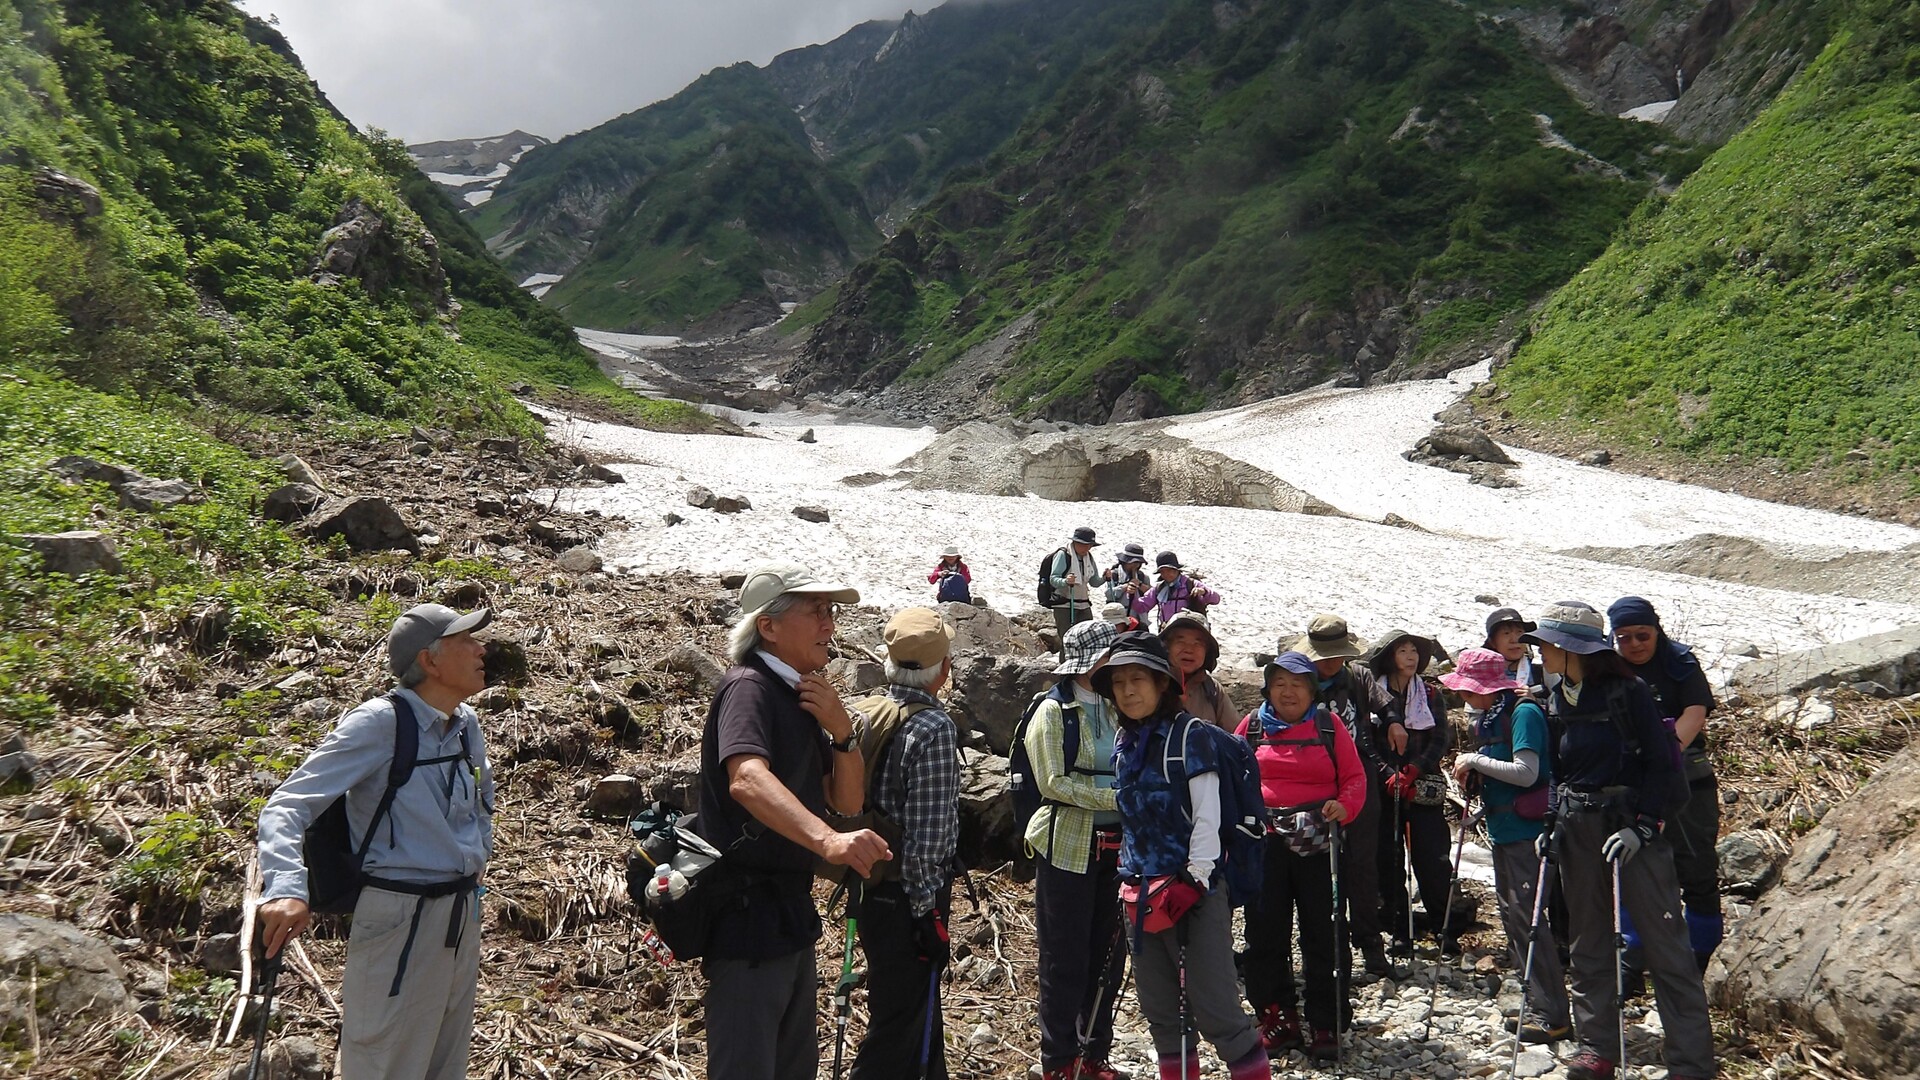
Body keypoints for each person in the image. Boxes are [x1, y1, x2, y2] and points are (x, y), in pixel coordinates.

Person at [254, 603, 498, 1080]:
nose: (481, 649)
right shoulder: (379, 723)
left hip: (462, 913)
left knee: (445, 1066)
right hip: (398, 918)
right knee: (383, 1065)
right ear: (429, 660)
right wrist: (285, 887)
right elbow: (288, 804)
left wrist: (476, 858)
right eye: (466, 640)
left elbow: (481, 805)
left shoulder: (466, 723)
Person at [696, 563, 891, 1080]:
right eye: (816, 611)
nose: (830, 624)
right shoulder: (749, 688)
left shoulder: (801, 694)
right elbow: (746, 779)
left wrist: (844, 734)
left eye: (831, 612)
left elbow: (845, 802)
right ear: (769, 626)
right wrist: (827, 841)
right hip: (747, 922)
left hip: (787, 919)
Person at [1524, 602, 1715, 1080]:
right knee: (1588, 940)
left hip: (1629, 827)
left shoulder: (1628, 693)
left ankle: (1691, 1063)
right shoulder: (1558, 698)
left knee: (1666, 945)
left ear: (1572, 649)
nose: (1540, 652)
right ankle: (1596, 1049)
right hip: (1577, 828)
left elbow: (1663, 765)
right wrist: (1550, 822)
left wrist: (1644, 825)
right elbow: (1558, 771)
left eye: (1547, 644)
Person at [1101, 632, 1270, 1080]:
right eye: (1118, 682)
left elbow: (1207, 817)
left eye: (1138, 679)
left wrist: (1194, 880)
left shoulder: (1190, 736)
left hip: (1194, 893)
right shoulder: (1125, 742)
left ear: (1162, 684)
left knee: (1218, 1011)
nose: (1127, 691)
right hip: (1141, 893)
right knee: (1162, 1014)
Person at [1235, 651, 1366, 1059]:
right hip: (1265, 843)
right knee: (1264, 933)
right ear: (1267, 689)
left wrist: (1345, 806)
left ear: (1312, 691)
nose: (1287, 692)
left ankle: (1326, 1020)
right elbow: (1230, 777)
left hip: (1319, 843)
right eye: (1279, 684)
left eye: (1296, 685)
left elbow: (1354, 777)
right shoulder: (1251, 727)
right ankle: (1277, 1017)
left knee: (1324, 931)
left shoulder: (1329, 726)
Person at [849, 608, 961, 1080]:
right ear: (943, 669)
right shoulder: (934, 728)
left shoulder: (868, 712)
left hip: (868, 882)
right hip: (908, 897)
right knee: (900, 1023)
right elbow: (927, 837)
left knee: (905, 1007)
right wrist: (926, 913)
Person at [1445, 647, 1571, 1044]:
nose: (1462, 695)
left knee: (1528, 920)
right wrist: (1477, 771)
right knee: (1515, 918)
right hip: (1505, 829)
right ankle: (1539, 1003)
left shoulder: (1523, 713)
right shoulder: (1491, 716)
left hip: (1526, 833)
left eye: (1468, 689)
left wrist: (1475, 762)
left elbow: (1527, 772)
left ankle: (1553, 1014)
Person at [1024, 619, 1127, 1080]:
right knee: (1064, 959)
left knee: (1108, 958)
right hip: (1066, 849)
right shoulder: (1052, 712)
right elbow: (1052, 783)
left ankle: (1094, 1054)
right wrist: (1118, 798)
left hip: (1117, 851)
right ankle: (1059, 1059)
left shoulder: (1118, 705)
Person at [1607, 596, 1723, 973]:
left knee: (1697, 867)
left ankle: (1701, 955)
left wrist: (1664, 752)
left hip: (1686, 777)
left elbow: (1696, 712)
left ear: (1657, 631)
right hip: (1627, 780)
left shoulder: (1681, 662)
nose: (1635, 644)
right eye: (1624, 637)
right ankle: (1633, 956)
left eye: (1642, 635)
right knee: (1630, 869)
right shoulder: (1608, 667)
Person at [1288, 614, 1393, 977]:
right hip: (1315, 783)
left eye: (1337, 655)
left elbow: (1386, 706)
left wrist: (1394, 723)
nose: (1332, 662)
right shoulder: (1299, 682)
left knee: (1362, 864)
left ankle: (1369, 943)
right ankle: (1326, 947)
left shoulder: (1358, 677)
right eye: (1326, 655)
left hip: (1358, 778)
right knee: (1318, 866)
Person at [1365, 629, 1456, 955]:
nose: (1411, 657)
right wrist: (1387, 773)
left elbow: (1440, 738)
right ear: (1390, 657)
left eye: (1414, 651)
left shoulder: (1430, 695)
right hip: (1385, 789)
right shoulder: (1373, 695)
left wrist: (1415, 768)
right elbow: (1365, 740)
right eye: (1403, 651)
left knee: (1432, 860)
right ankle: (1399, 930)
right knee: (1389, 861)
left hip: (1422, 787)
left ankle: (1445, 928)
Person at [1159, 611, 1238, 727]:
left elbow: (1235, 733)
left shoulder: (1213, 690)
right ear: (1166, 646)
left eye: (1198, 643)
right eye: (1180, 641)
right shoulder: (1152, 684)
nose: (1189, 650)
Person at [1131, 552, 1223, 630]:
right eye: (1162, 571)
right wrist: (1132, 594)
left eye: (1169, 570)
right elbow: (1141, 607)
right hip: (1167, 631)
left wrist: (1204, 592)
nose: (1166, 574)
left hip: (1192, 630)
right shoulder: (1158, 589)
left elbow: (1216, 599)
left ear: (1176, 569)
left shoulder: (1191, 584)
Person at [1047, 527, 1106, 646]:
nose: (1087, 548)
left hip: (1084, 605)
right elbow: (1053, 579)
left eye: (1090, 545)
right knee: (1067, 641)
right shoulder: (1063, 555)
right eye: (1084, 545)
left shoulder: (1089, 557)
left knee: (1088, 639)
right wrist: (1065, 581)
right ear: (1075, 542)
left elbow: (1094, 582)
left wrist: (1105, 578)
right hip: (1064, 605)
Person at [1484, 607, 1545, 702]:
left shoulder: (1543, 673)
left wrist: (1535, 701)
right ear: (1492, 642)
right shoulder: (1483, 675)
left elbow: (1559, 707)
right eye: (1506, 633)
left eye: (1519, 632)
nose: (1514, 640)